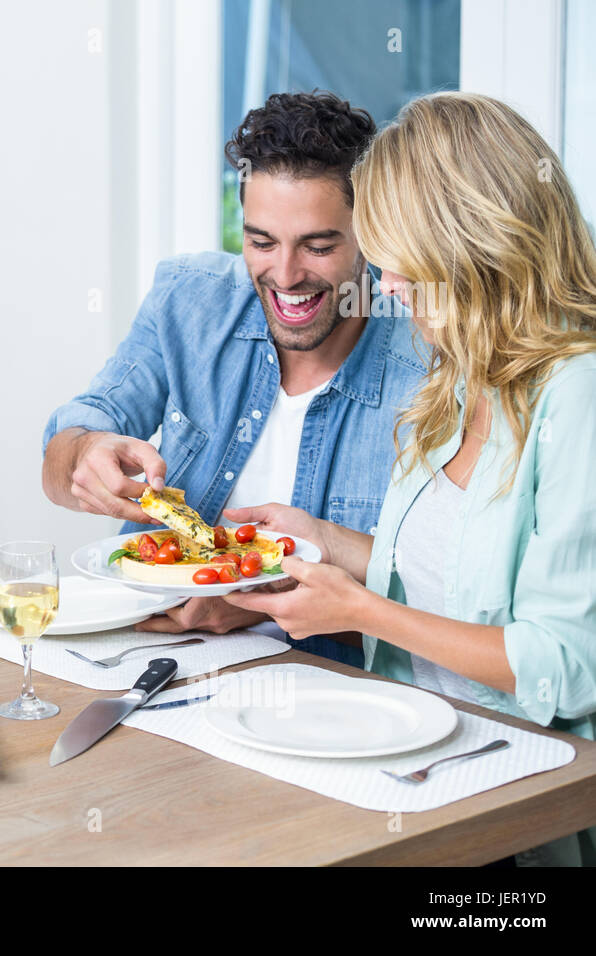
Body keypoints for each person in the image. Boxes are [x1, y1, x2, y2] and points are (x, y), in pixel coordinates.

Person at [223, 92, 596, 865]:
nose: (386, 285)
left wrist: (360, 610)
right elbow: (452, 582)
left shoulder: (578, 394)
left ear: (475, 245)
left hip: (515, 810)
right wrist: (323, 541)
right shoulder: (467, 373)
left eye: (402, 261)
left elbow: (565, 669)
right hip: (409, 771)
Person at [41, 91, 426, 665]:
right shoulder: (190, 301)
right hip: (152, 665)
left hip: (332, 693)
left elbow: (446, 602)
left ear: (371, 235)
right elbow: (65, 448)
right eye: (261, 241)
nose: (286, 275)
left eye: (318, 246)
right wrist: (85, 453)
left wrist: (257, 607)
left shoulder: (428, 362)